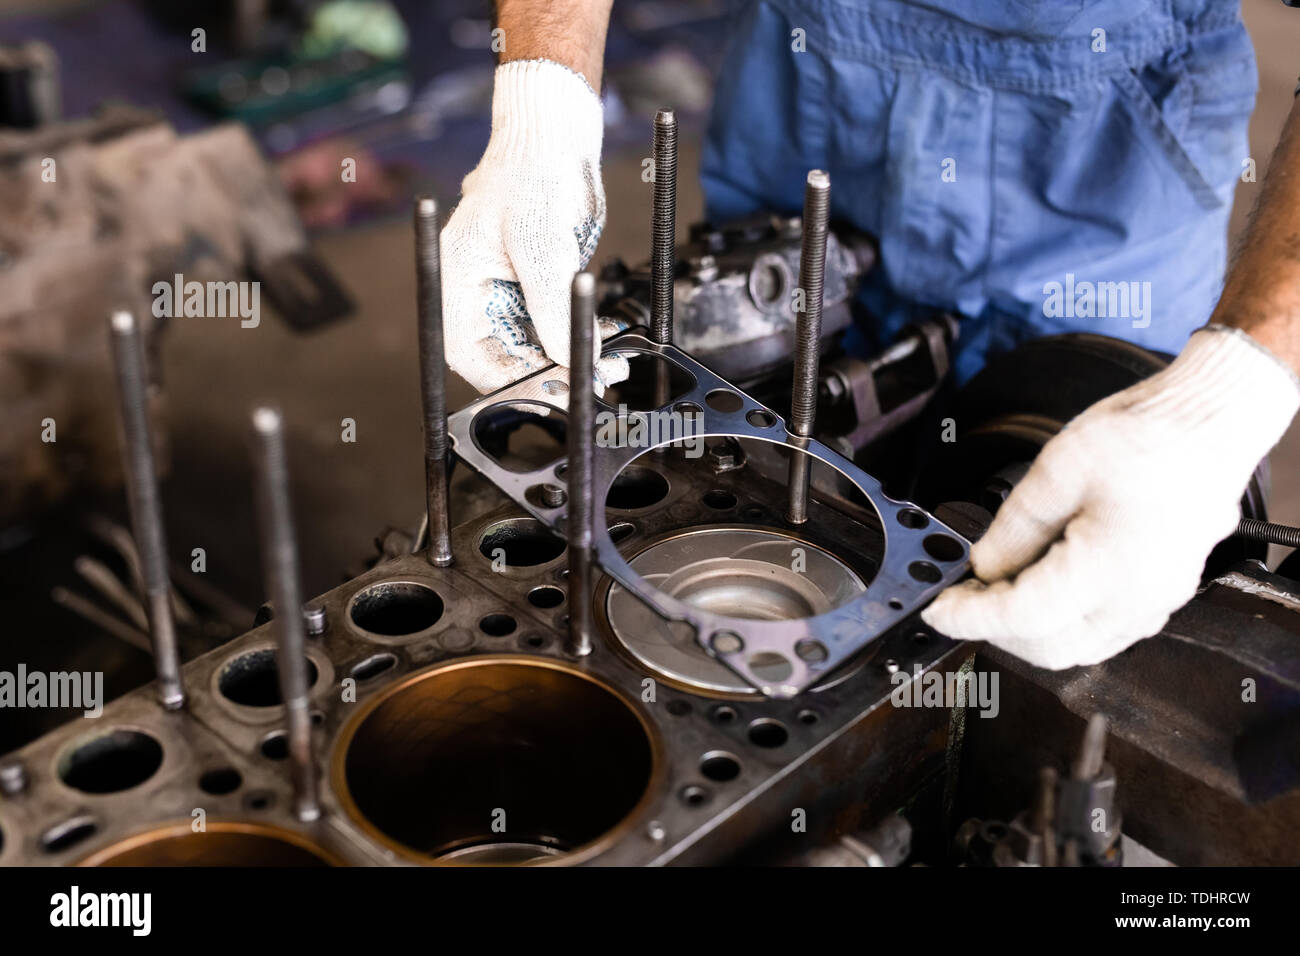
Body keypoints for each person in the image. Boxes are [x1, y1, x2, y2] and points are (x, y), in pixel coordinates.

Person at [438, 0, 1300, 669]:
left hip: (1104, 143)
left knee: (1083, 586)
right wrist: (543, 92)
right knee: (743, 444)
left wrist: (1235, 388)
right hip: (809, 77)